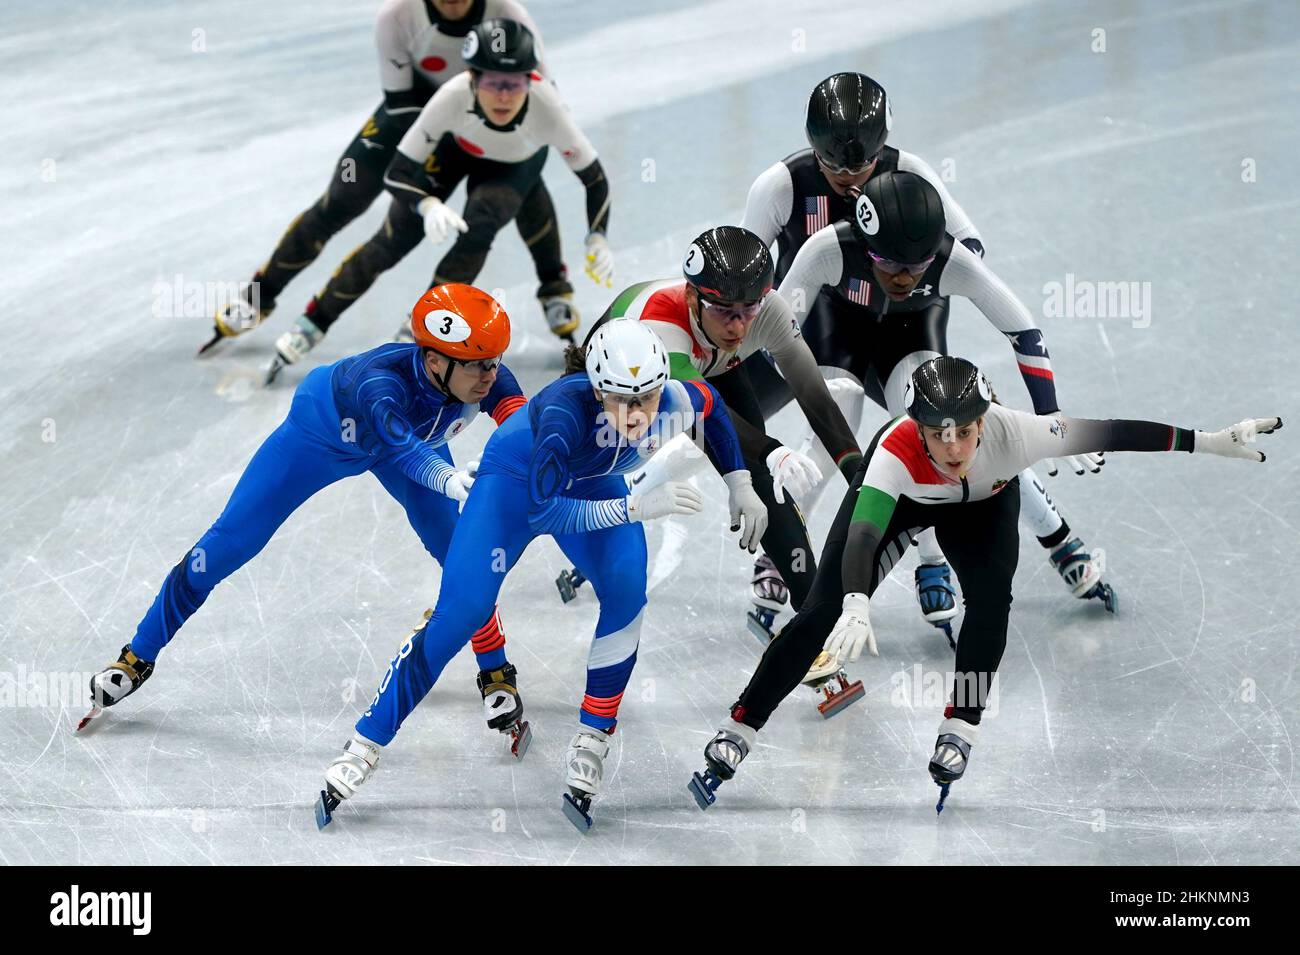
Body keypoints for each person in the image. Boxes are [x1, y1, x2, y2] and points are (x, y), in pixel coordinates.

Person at [687, 355, 1281, 812]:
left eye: (964, 433)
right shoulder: (895, 451)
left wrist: (1207, 441)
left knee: (992, 598)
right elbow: (865, 534)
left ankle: (959, 725)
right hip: (901, 506)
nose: (951, 447)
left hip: (983, 510)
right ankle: (738, 728)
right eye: (936, 434)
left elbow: (1115, 431)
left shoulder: (1017, 432)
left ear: (984, 421)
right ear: (915, 425)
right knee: (819, 614)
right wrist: (858, 600)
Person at [316, 319, 767, 832]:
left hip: (596, 483)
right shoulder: (563, 419)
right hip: (513, 490)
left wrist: (741, 484)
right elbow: (549, 516)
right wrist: (633, 508)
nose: (641, 413)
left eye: (649, 396)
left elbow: (711, 406)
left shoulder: (669, 402)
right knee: (461, 613)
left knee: (626, 595)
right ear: (598, 391)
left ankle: (593, 737)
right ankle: (366, 743)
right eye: (624, 400)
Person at [741, 72, 1114, 641]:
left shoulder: (913, 183)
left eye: (860, 168)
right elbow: (754, 283)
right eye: (832, 166)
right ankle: (784, 553)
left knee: (952, 436)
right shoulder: (795, 208)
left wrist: (912, 271)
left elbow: (977, 265)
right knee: (832, 430)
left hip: (908, 328)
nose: (846, 180)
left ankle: (1042, 539)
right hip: (830, 325)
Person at [84, 285, 527, 741]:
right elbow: (406, 452)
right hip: (323, 437)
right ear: (435, 360)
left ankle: (495, 672)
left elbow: (525, 432)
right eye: (478, 364)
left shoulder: (484, 376)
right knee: (227, 544)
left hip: (414, 445)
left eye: (495, 361)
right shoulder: (378, 383)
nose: (491, 375)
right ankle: (136, 656)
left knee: (462, 556)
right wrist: (451, 481)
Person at [555, 226, 867, 715]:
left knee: (764, 480)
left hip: (701, 372)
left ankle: (810, 621)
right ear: (693, 296)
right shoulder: (663, 322)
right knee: (736, 453)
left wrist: (859, 477)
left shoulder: (764, 312)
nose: (740, 328)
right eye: (725, 311)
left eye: (750, 311)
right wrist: (769, 451)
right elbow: (701, 415)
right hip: (617, 398)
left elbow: (813, 394)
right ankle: (625, 499)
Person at [200, 1, 574, 358]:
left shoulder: (509, 14)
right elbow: (399, 102)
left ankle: (554, 284)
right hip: (415, 118)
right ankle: (259, 296)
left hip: (491, 117)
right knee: (342, 199)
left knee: (516, 184)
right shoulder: (397, 15)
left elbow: (543, 98)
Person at [262, 18, 614, 383]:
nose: (505, 96)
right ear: (472, 78)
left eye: (515, 83)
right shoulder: (451, 95)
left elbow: (595, 179)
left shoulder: (549, 108)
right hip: (455, 151)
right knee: (392, 239)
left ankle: (425, 329)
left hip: (513, 166)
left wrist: (598, 236)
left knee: (481, 223)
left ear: (532, 80)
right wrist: (426, 204)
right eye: (493, 83)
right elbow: (396, 173)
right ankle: (313, 322)